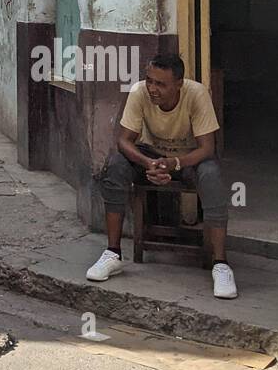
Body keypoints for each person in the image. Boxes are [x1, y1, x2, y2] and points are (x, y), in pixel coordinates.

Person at [86, 53, 237, 299]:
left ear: (179, 84)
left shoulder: (196, 94)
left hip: (187, 159)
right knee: (115, 167)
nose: (153, 89)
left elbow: (207, 147)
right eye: (150, 81)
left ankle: (221, 264)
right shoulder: (138, 92)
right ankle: (113, 253)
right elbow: (124, 140)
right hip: (151, 157)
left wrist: (174, 163)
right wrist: (149, 163)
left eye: (161, 84)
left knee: (211, 175)